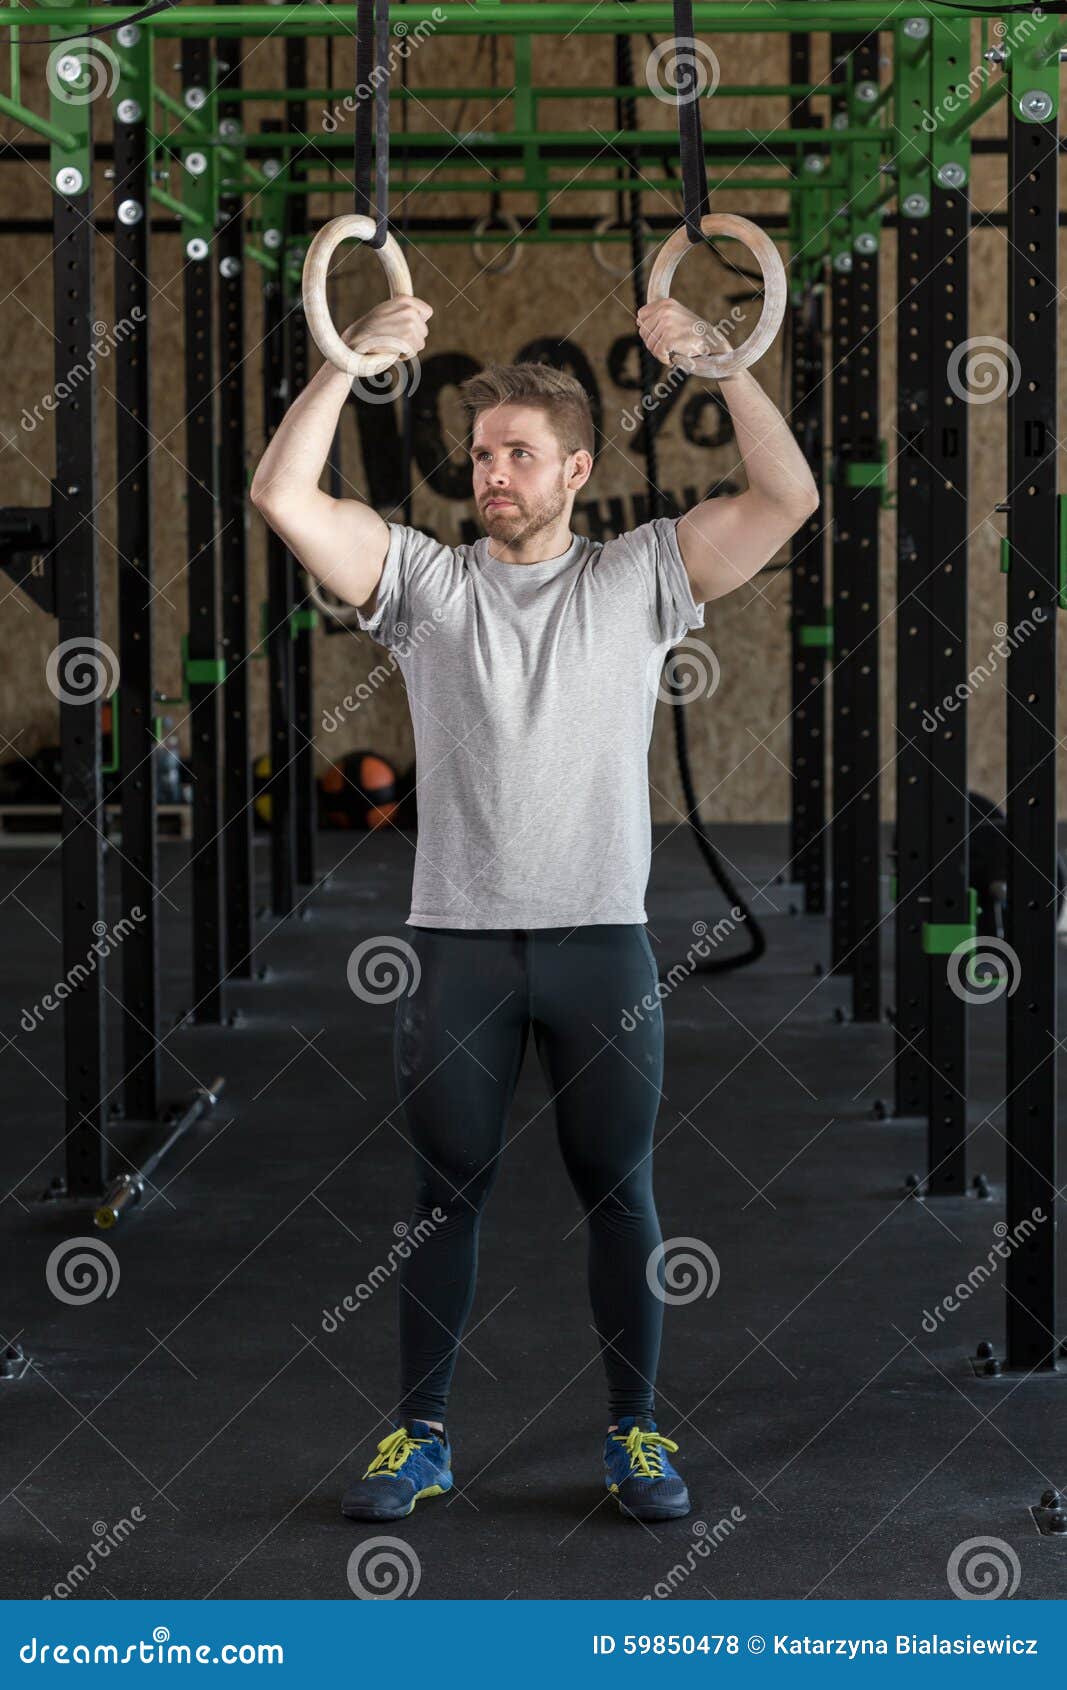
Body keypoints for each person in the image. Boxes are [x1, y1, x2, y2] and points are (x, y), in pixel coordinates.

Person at [250, 290, 818, 1525]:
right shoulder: (425, 584)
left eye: (515, 453)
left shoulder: (638, 577)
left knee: (619, 1190)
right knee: (442, 1194)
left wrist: (723, 367)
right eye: (478, 452)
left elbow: (786, 500)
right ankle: (421, 1437)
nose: (488, 471)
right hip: (459, 946)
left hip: (599, 947)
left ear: (572, 468)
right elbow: (285, 500)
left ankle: (635, 1435)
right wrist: (344, 363)